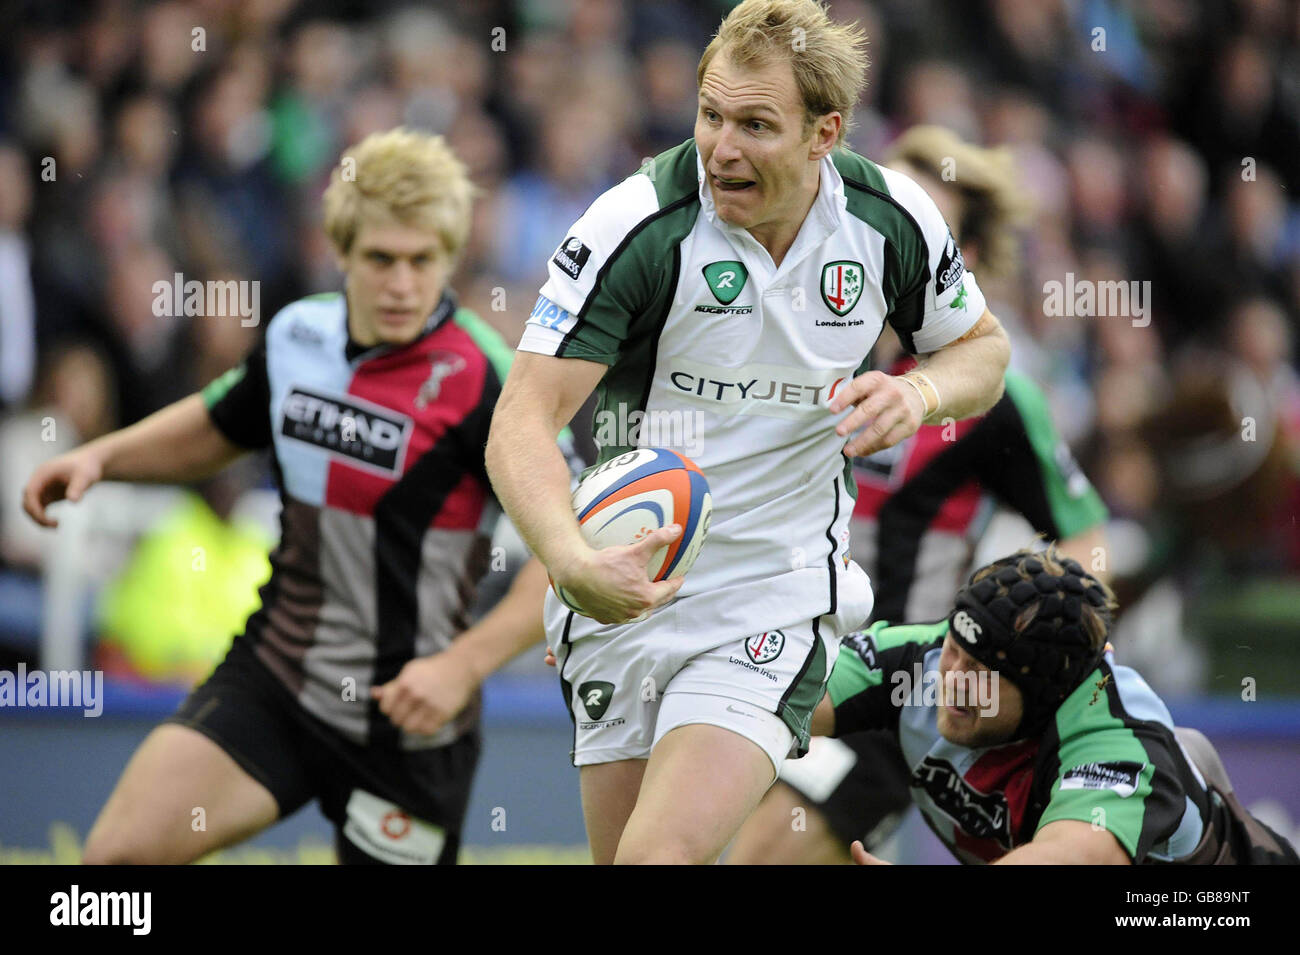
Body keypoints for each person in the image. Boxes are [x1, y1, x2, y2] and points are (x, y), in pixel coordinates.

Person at [485, 0, 1011, 865]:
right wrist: (572, 562)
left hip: (776, 592)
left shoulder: (889, 223)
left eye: (755, 125)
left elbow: (982, 353)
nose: (721, 148)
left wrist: (920, 397)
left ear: (823, 134)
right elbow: (520, 420)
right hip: (628, 580)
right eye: (710, 115)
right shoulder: (636, 225)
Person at [24, 128, 551, 865]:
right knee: (111, 865)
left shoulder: (484, 380)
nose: (402, 283)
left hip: (410, 718)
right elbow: (220, 423)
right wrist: (100, 459)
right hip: (277, 678)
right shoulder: (297, 337)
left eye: (422, 260)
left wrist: (464, 665)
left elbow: (566, 547)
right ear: (341, 251)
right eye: (380, 259)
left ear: (451, 257)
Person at [728, 126, 1110, 864]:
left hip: (889, 683)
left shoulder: (995, 396)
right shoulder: (793, 343)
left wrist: (1049, 645)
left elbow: (1084, 534)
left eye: (923, 222)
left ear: (954, 258)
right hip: (762, 650)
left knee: (761, 851)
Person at [814, 544, 1299, 865]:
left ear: (1046, 694)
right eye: (953, 651)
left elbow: (1070, 855)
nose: (952, 680)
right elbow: (776, 696)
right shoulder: (923, 659)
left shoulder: (1116, 739)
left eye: (981, 673)